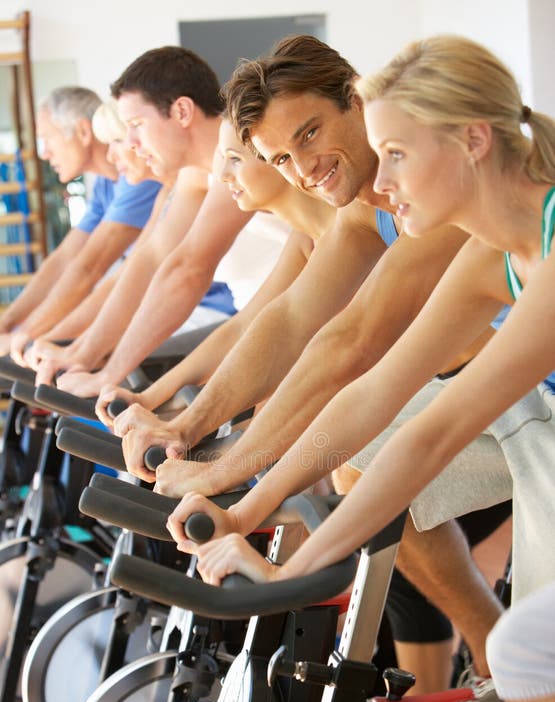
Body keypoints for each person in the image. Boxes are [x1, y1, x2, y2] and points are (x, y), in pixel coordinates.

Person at [167, 35, 555, 702]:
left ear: (473, 141)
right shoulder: (487, 253)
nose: (387, 183)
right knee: (515, 644)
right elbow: (374, 391)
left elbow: (427, 419)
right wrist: (248, 506)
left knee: (525, 651)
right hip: (530, 418)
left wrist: (282, 543)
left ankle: (493, 662)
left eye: (398, 156)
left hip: (529, 423)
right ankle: (488, 655)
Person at [94, 114, 334, 432]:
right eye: (222, 159)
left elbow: (301, 339)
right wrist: (150, 397)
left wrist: (187, 427)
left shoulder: (338, 231)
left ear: (279, 158)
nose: (220, 176)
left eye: (234, 159)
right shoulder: (302, 237)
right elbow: (245, 325)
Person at [48, 45, 261, 399]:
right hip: (257, 322)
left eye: (135, 126)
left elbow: (189, 269)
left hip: (280, 327)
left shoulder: (239, 152)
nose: (130, 144)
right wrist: (80, 353)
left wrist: (109, 371)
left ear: (181, 111)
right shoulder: (196, 174)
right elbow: (152, 259)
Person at [0, 86, 161, 360]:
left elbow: (90, 267)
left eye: (47, 138)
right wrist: (9, 323)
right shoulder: (104, 185)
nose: (44, 153)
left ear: (84, 132)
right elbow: (65, 258)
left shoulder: (142, 179)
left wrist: (26, 333)